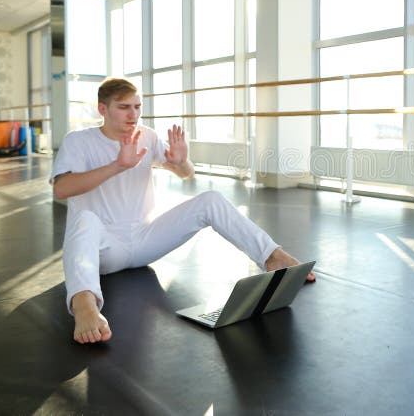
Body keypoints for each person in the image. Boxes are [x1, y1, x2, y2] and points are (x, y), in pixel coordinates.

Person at [51, 77, 314, 344]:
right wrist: (117, 165)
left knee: (210, 199)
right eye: (123, 107)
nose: (133, 114)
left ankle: (271, 255)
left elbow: (187, 174)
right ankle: (85, 305)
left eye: (137, 106)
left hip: (143, 240)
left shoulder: (147, 135)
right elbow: (61, 189)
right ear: (102, 109)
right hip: (104, 249)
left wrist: (182, 160)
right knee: (83, 219)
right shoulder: (79, 141)